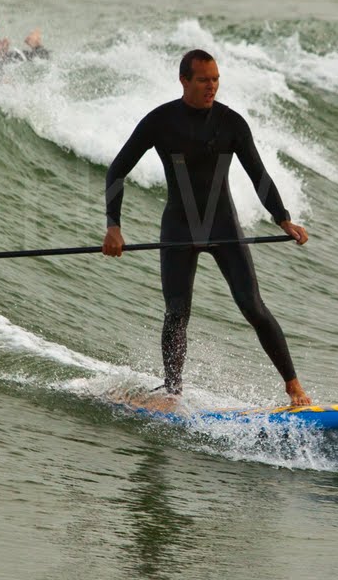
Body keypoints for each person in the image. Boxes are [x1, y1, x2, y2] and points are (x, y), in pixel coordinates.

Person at [101, 49, 313, 407]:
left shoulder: (231, 124)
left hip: (222, 227)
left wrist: (283, 218)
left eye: (215, 79)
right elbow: (116, 171)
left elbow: (259, 176)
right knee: (177, 312)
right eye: (203, 80)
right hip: (179, 229)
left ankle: (294, 388)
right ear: (184, 80)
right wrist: (113, 226)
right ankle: (172, 392)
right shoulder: (160, 121)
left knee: (252, 306)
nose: (211, 86)